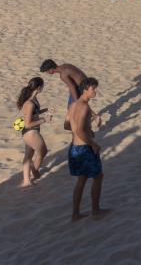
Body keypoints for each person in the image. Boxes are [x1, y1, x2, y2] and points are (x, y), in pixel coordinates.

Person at [67, 77, 108, 222]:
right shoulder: (84, 107)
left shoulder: (73, 105)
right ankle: (95, 210)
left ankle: (75, 214)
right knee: (98, 177)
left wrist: (86, 128)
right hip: (84, 148)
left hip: (74, 148)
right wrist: (92, 143)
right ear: (85, 90)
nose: (95, 91)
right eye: (93, 88)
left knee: (81, 180)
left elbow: (67, 126)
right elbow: (79, 131)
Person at [17, 77, 53, 187]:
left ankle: (27, 181)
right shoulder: (30, 103)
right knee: (43, 152)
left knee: (28, 155)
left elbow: (33, 113)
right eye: (42, 86)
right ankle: (34, 169)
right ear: (38, 88)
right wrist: (44, 120)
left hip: (28, 132)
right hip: (30, 132)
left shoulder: (32, 100)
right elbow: (28, 123)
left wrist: (46, 110)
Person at [40, 59, 88, 130]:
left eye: (47, 71)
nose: (47, 73)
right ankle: (74, 125)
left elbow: (72, 87)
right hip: (86, 83)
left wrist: (76, 101)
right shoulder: (65, 65)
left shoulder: (63, 75)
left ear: (51, 70)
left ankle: (78, 126)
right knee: (71, 107)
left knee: (73, 107)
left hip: (81, 87)